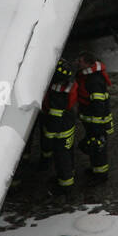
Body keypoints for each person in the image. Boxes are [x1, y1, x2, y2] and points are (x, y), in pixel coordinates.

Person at [39, 59, 79, 194]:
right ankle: (69, 174)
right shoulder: (68, 85)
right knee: (68, 152)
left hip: (60, 129)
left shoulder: (58, 94)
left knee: (62, 157)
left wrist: (49, 135)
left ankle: (65, 186)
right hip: (68, 122)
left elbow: (55, 117)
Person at [76, 57, 114, 185]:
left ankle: (101, 175)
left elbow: (99, 105)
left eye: (80, 61)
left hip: (96, 122)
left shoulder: (94, 80)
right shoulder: (88, 77)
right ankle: (96, 170)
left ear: (88, 63)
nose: (78, 63)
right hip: (91, 121)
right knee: (94, 145)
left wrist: (97, 125)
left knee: (99, 147)